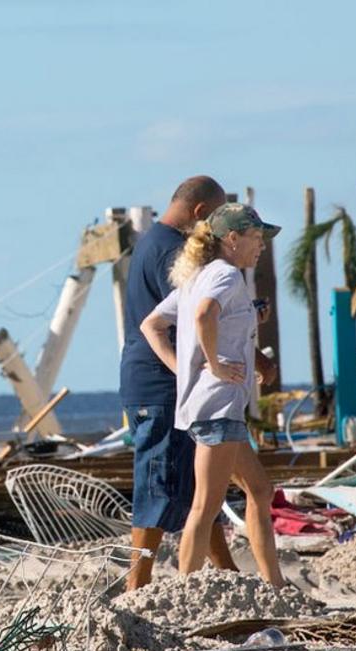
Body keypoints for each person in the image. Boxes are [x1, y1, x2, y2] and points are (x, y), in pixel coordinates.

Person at [139, 202, 284, 587]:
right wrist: (215, 367)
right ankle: (186, 591)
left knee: (260, 490)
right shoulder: (226, 275)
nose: (262, 246)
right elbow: (204, 316)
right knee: (205, 506)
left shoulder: (197, 276)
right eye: (256, 238)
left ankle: (276, 587)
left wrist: (184, 367)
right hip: (218, 405)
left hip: (214, 405)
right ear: (232, 239)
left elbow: (152, 325)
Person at [119, 176, 237, 591]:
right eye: (215, 220)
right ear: (201, 213)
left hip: (155, 379)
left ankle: (227, 574)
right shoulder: (172, 250)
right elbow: (195, 313)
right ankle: (137, 584)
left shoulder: (152, 242)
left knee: (194, 486)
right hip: (158, 382)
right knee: (159, 483)